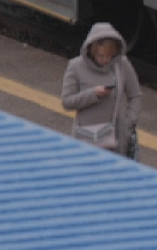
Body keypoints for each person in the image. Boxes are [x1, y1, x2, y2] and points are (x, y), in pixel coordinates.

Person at [61, 22, 143, 159]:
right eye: (101, 56)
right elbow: (67, 101)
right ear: (92, 50)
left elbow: (136, 95)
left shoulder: (122, 64)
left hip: (117, 138)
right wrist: (93, 94)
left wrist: (128, 122)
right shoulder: (75, 67)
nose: (106, 60)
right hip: (87, 138)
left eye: (110, 56)